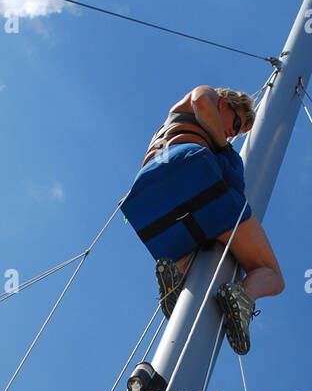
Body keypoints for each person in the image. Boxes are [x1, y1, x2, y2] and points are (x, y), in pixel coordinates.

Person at [120, 86, 284, 354]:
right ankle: (241, 295)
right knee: (273, 275)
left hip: (148, 200)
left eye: (239, 133)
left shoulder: (172, 121)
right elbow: (201, 102)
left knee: (193, 255)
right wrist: (224, 150)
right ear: (225, 103)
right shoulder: (205, 96)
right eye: (237, 123)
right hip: (193, 173)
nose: (233, 134)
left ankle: (177, 280)